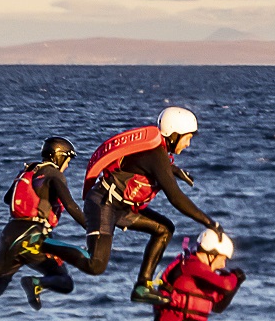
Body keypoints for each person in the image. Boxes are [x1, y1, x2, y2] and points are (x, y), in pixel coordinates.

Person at [78, 105, 222, 303]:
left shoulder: (158, 154)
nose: (188, 144)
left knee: (164, 229)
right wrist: (209, 222)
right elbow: (176, 198)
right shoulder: (155, 154)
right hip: (104, 202)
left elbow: (149, 166)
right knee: (96, 265)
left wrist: (175, 170)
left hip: (122, 208)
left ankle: (142, 287)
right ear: (174, 134)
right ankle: (46, 243)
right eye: (188, 137)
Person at [0, 137, 92, 309]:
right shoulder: (53, 174)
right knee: (65, 281)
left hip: (11, 233)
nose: (67, 166)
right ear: (58, 157)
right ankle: (34, 284)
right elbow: (69, 205)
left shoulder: (28, 171)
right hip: (32, 237)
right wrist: (92, 228)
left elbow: (8, 198)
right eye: (67, 160)